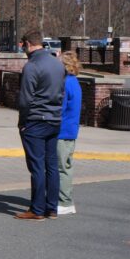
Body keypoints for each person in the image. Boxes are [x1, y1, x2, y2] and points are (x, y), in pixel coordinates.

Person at [16, 30, 66, 221]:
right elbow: (61, 91)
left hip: (36, 120)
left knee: (37, 166)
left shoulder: (31, 66)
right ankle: (52, 208)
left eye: (23, 45)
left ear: (28, 44)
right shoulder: (57, 63)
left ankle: (37, 209)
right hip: (54, 120)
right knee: (51, 165)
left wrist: (22, 122)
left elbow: (25, 99)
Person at [58, 51, 82, 216]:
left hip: (63, 131)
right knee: (65, 166)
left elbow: (60, 108)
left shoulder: (66, 83)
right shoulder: (74, 82)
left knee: (62, 168)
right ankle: (63, 200)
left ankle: (65, 202)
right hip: (70, 130)